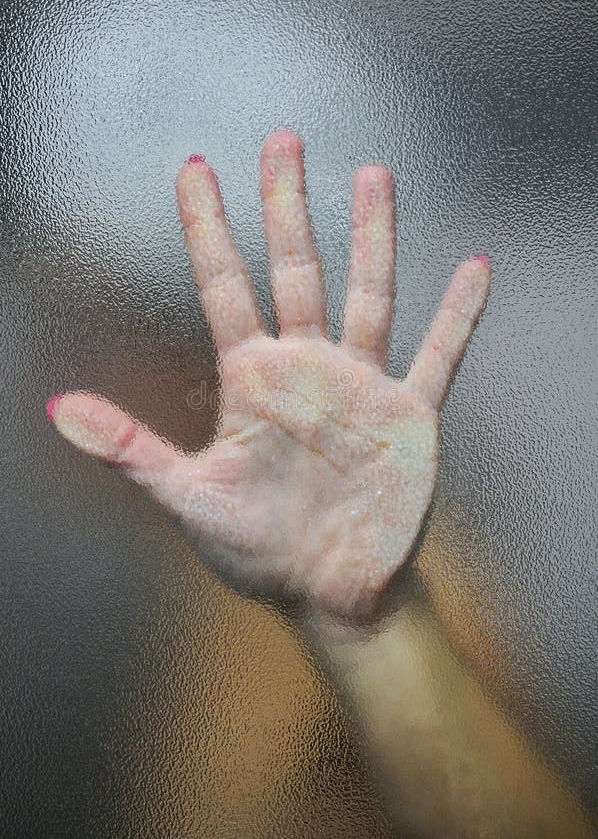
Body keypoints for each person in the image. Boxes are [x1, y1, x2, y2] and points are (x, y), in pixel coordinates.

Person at [45, 131, 591, 836]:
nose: (74, 375)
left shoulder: (359, 560)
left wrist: (373, 631)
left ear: (184, 357)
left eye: (104, 342)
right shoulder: (195, 594)